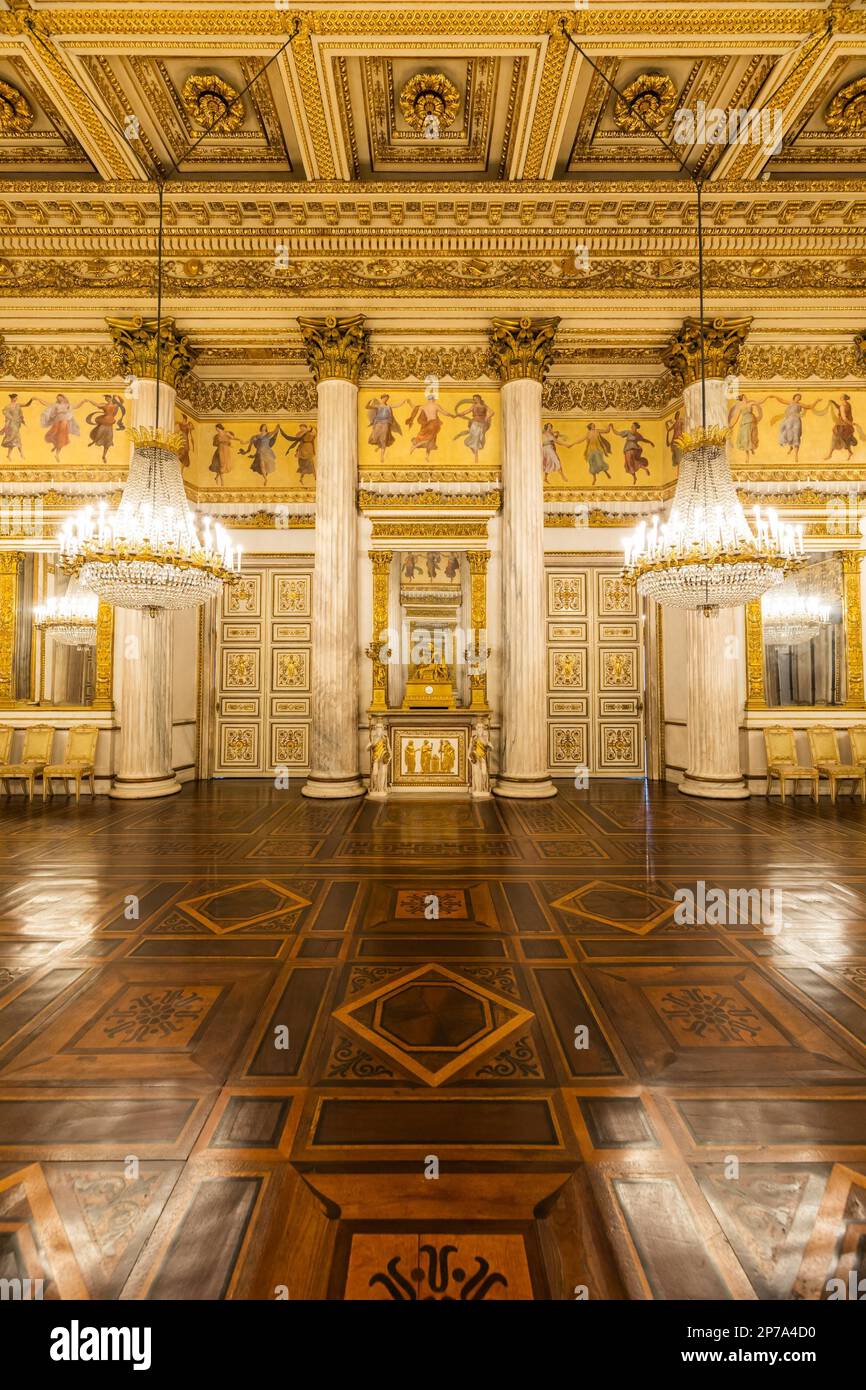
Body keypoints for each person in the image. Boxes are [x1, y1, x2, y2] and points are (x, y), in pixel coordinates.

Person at [366, 394, 410, 463]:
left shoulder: (388, 406)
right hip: (378, 423)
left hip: (386, 423)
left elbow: (397, 405)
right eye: (385, 398)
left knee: (384, 439)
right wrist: (369, 401)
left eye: (387, 399)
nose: (386, 400)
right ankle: (379, 447)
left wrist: (403, 401)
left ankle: (382, 456)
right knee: (375, 437)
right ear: (382, 398)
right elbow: (367, 407)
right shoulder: (378, 406)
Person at [84, 394, 126, 464]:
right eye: (106, 399)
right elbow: (96, 404)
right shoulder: (104, 405)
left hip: (109, 424)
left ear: (110, 398)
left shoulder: (115, 405)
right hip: (104, 422)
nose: (107, 399)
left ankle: (104, 456)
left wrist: (116, 396)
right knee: (98, 433)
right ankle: (94, 441)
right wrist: (89, 400)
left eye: (108, 398)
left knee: (108, 441)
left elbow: (121, 402)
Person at [453, 394, 494, 463]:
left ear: (480, 399)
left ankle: (475, 454)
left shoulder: (484, 406)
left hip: (482, 423)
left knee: (479, 437)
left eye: (476, 398)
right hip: (474, 422)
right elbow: (466, 412)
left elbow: (492, 412)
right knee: (475, 436)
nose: (475, 400)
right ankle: (476, 456)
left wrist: (488, 417)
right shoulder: (473, 406)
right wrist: (458, 414)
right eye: (474, 399)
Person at [41, 394, 83, 459]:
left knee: (61, 438)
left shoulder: (68, 405)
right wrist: (38, 399)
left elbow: (76, 406)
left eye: (60, 398)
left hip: (64, 422)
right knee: (52, 434)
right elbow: (47, 404)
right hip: (57, 422)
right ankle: (55, 445)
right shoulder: (56, 405)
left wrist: (83, 401)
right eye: (58, 399)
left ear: (63, 398)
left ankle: (57, 454)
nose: (59, 399)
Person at [1, 393, 36, 459]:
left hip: (16, 425)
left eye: (16, 398)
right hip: (11, 425)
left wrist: (31, 400)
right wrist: (5, 427)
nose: (16, 399)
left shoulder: (18, 405)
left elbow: (27, 404)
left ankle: (9, 455)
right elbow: (7, 417)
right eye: (15, 398)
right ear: (12, 398)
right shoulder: (7, 407)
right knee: (16, 439)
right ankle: (21, 454)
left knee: (14, 440)